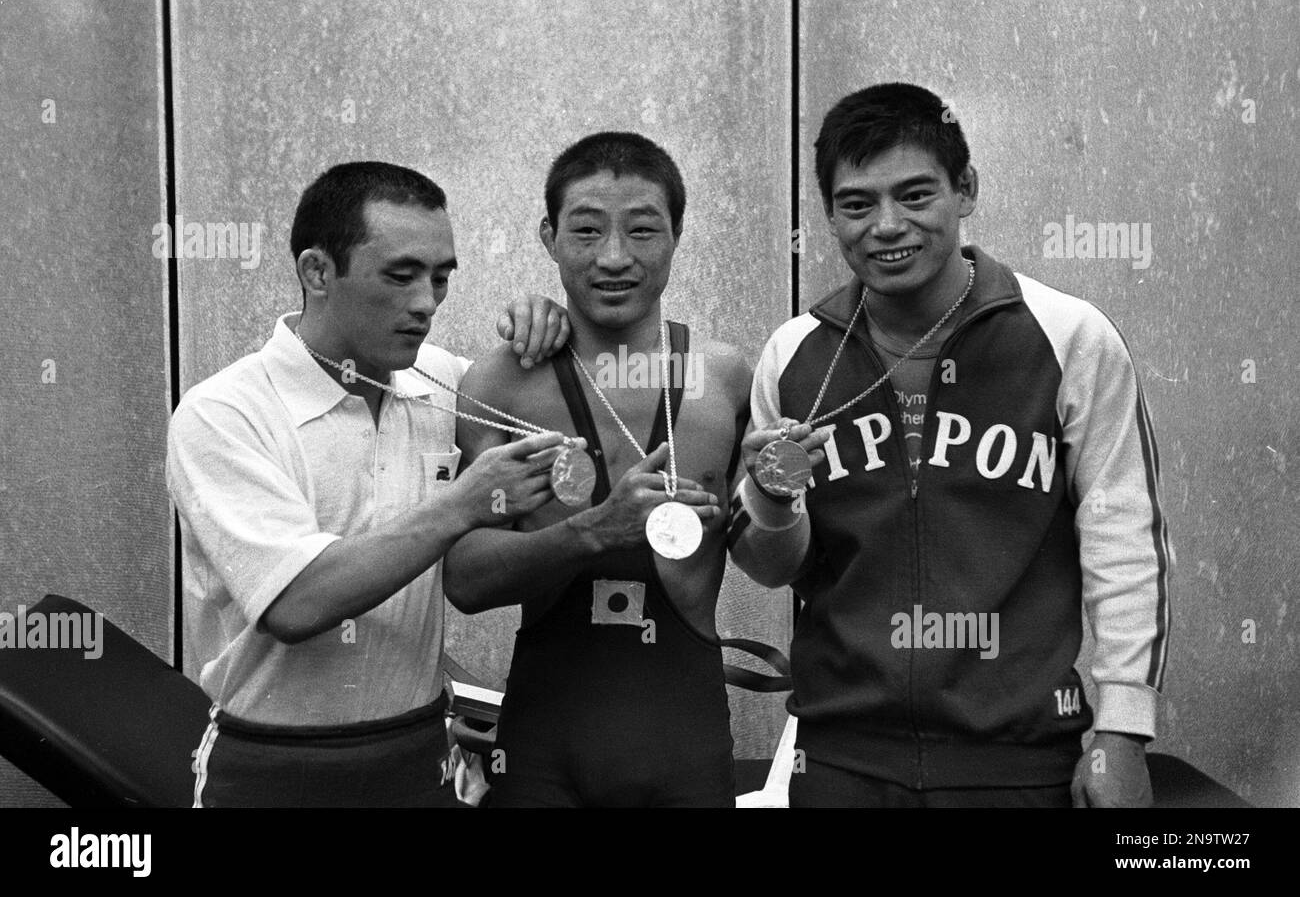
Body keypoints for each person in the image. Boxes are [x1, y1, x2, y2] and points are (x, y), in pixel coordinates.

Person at [729, 83, 1173, 807]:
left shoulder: (1069, 337)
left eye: (915, 195)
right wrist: (772, 500)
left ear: (965, 190)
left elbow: (1125, 536)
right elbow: (774, 567)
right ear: (830, 214)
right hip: (842, 760)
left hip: (1017, 759)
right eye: (856, 204)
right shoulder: (795, 353)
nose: (887, 226)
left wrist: (1123, 734)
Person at [167, 161, 573, 807]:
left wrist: (548, 325)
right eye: (400, 274)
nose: (426, 304)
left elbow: (555, 414)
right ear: (317, 272)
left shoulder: (443, 383)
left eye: (440, 278)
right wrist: (463, 504)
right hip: (270, 767)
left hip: (416, 756)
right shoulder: (225, 414)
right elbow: (296, 605)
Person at [443, 132, 753, 807]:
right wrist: (592, 530)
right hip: (543, 748)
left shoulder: (724, 381)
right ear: (548, 237)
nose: (614, 257)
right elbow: (463, 581)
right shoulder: (500, 385)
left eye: (642, 231)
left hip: (685, 742)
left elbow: (774, 557)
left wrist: (781, 497)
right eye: (586, 231)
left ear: (677, 235)